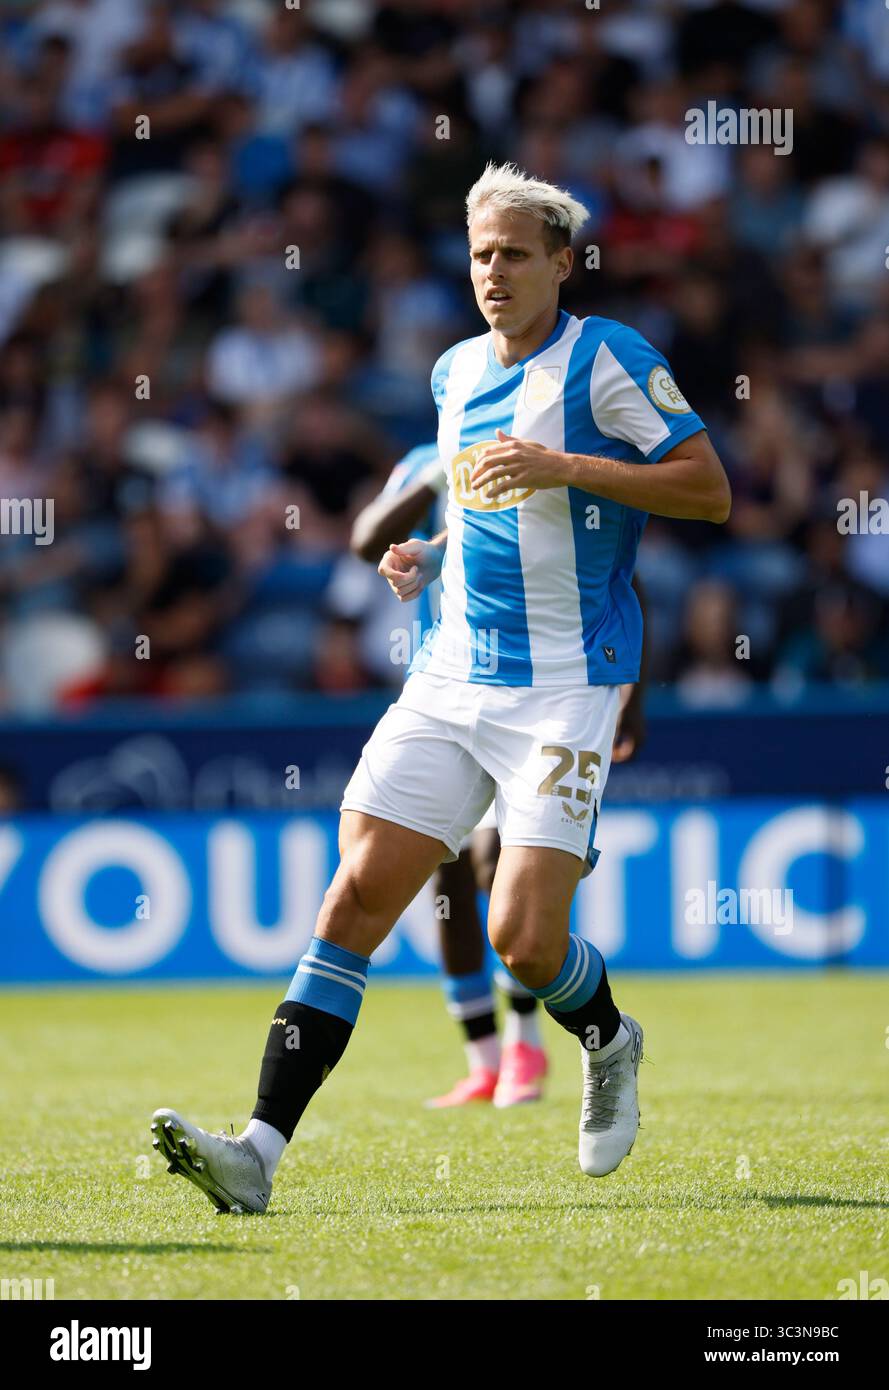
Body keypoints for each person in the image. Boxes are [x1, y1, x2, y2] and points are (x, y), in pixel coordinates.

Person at [152, 161, 731, 1213]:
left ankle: (606, 1037)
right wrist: (427, 554)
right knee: (356, 898)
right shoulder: (455, 373)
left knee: (524, 936)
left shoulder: (609, 361)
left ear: (562, 261)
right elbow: (481, 515)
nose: (494, 272)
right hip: (449, 673)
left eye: (514, 253)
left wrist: (572, 468)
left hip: (564, 686)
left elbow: (708, 489)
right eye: (479, 254)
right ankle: (256, 1154)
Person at [350, 448, 648, 1109]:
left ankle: (523, 1046)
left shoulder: (534, 457)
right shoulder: (430, 459)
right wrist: (433, 471)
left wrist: (638, 697)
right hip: (445, 687)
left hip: (538, 696)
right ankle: (482, 1059)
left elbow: (619, 577)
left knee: (498, 869)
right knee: (447, 874)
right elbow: (365, 541)